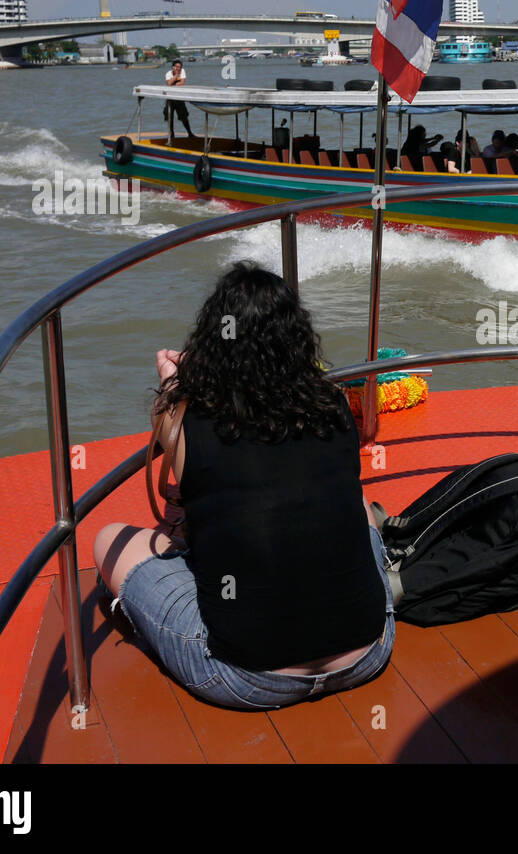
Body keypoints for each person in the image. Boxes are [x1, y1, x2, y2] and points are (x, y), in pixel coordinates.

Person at [93, 262, 395, 709]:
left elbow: (193, 484)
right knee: (362, 509)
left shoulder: (191, 418)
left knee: (108, 540)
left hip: (247, 677)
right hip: (368, 650)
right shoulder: (332, 403)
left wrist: (172, 388)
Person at [163, 60, 195, 139]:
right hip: (170, 98)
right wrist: (176, 76)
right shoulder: (168, 74)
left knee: (184, 116)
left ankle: (190, 133)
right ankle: (172, 134)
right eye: (177, 67)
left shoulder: (183, 71)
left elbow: (182, 83)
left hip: (179, 97)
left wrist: (174, 83)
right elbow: (169, 84)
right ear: (173, 67)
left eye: (180, 67)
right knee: (170, 117)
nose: (178, 69)